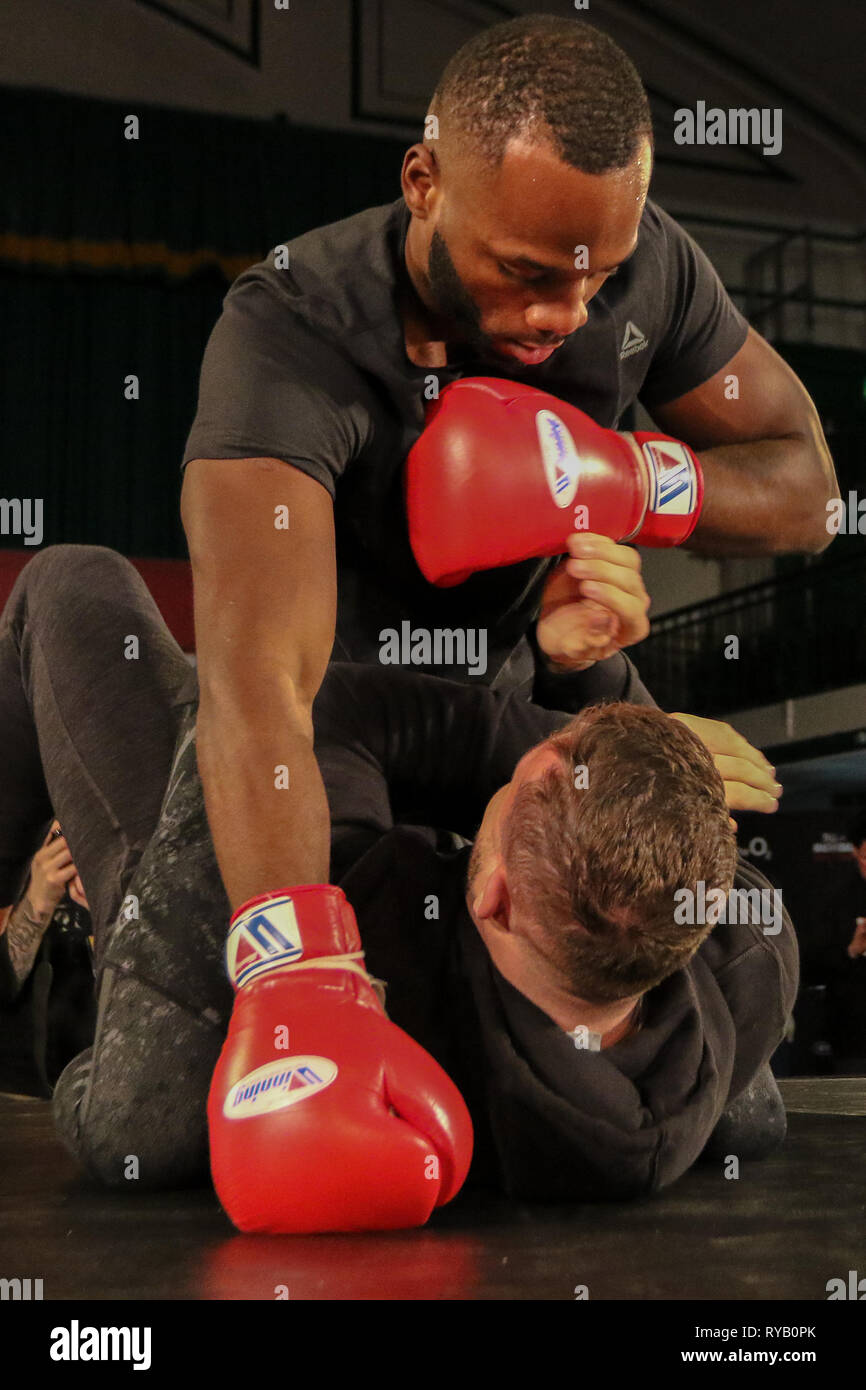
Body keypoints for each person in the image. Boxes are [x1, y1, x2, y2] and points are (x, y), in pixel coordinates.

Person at [179, 13, 836, 942]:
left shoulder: (650, 271)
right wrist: (295, 971)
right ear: (425, 183)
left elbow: (811, 492)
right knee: (384, 937)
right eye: (524, 273)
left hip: (529, 698)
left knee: (738, 934)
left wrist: (628, 481)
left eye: (596, 278)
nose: (564, 314)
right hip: (346, 720)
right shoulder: (295, 332)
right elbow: (262, 688)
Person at [0, 546, 795, 1208]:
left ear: (491, 894)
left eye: (512, 788)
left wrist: (130, 954)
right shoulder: (747, 948)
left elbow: (318, 716)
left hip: (212, 856)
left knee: (74, 582)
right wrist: (595, 687)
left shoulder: (364, 916)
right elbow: (687, 840)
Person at [0, 822, 95, 1095]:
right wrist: (37, 902)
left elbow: (141, 914)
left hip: (114, 1081)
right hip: (19, 1093)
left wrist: (117, 907)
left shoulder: (126, 823)